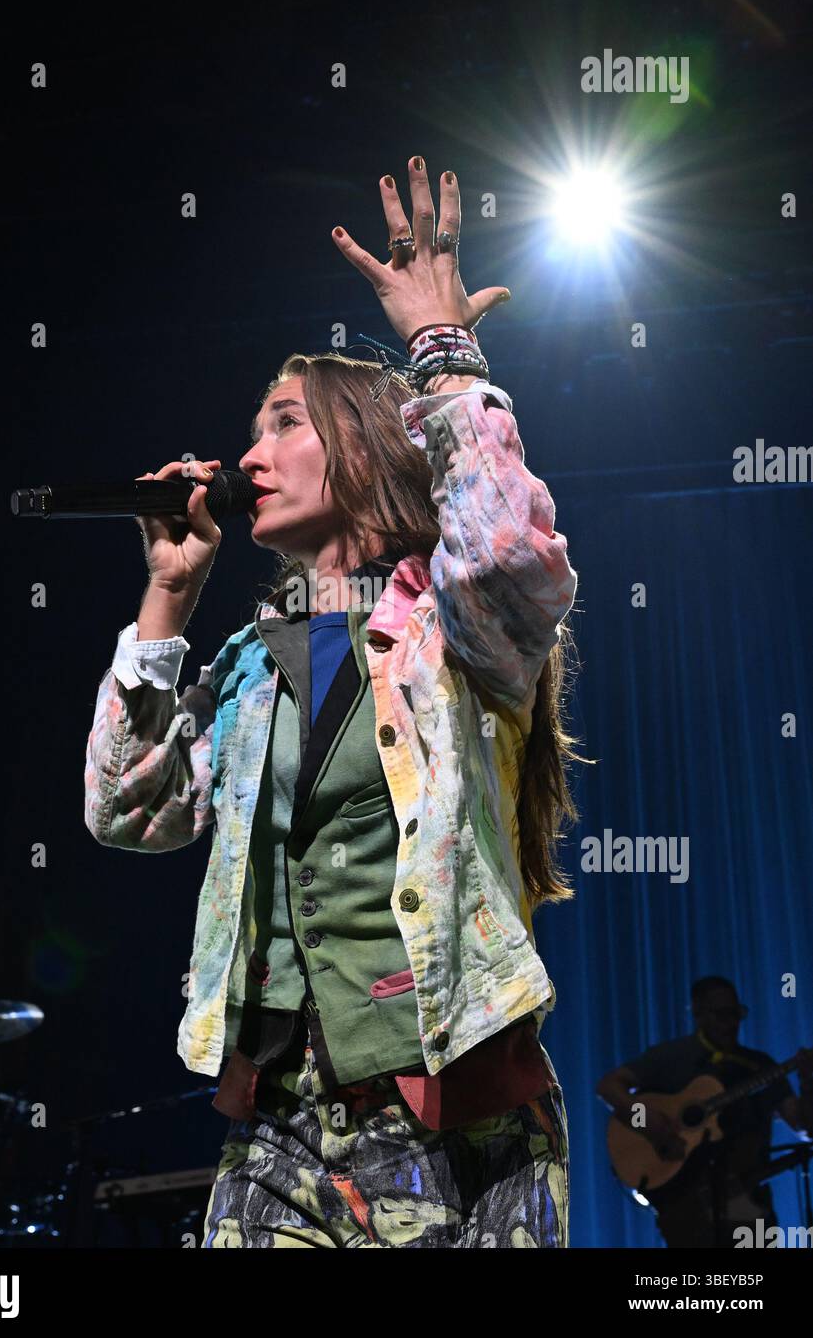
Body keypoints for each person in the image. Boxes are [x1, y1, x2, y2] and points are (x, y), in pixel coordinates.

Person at [84, 156, 584, 1247]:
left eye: (283, 424)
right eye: (255, 430)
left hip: (458, 1120)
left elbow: (507, 548)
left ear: (363, 447)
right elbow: (127, 809)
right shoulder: (249, 674)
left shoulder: (450, 633)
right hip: (278, 1132)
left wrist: (443, 354)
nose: (249, 454)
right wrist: (168, 597)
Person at [596, 976, 813, 1248]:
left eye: (736, 1014)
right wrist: (651, 1123)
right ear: (699, 1014)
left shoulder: (759, 1065)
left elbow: (804, 1126)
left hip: (748, 1203)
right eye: (722, 1014)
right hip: (684, 1202)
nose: (732, 1023)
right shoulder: (674, 1056)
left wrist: (808, 1083)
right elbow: (609, 1086)